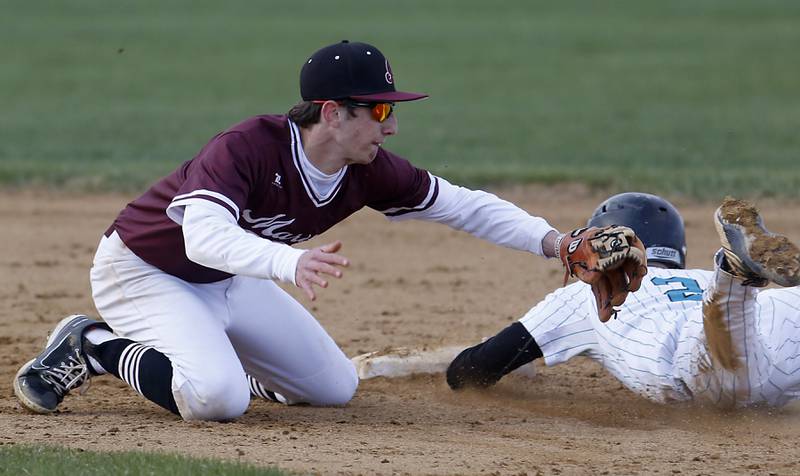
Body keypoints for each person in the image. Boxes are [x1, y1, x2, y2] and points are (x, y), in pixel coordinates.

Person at [14, 40, 571, 421]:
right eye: (379, 112)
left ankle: (240, 363)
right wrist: (288, 263)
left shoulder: (368, 168)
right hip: (146, 272)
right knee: (217, 400)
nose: (393, 125)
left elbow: (461, 205)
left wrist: (556, 242)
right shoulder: (245, 147)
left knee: (332, 390)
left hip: (229, 278)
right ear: (332, 113)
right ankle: (91, 344)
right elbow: (200, 239)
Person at [446, 193, 800, 407]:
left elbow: (470, 371)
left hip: (703, 366)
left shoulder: (580, 296)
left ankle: (734, 272)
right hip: (775, 342)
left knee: (724, 358)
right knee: (774, 312)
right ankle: (737, 276)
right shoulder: (694, 276)